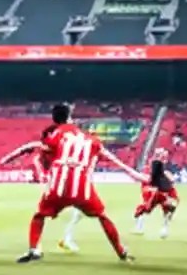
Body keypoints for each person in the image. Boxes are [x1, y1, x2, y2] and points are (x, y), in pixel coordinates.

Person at [10, 103, 146, 264]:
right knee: (102, 217)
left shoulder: (58, 133)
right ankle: (121, 252)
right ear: (69, 118)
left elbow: (40, 147)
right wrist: (134, 174)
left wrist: (15, 155)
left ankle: (35, 250)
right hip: (82, 187)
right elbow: (113, 159)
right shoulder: (92, 140)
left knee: (39, 216)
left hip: (59, 185)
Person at [130, 148, 179, 239]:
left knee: (170, 205)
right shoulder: (149, 167)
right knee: (145, 208)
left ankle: (165, 227)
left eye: (163, 156)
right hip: (151, 191)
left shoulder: (166, 168)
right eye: (159, 155)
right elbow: (146, 179)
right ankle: (139, 225)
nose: (163, 158)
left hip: (163, 191)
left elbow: (171, 181)